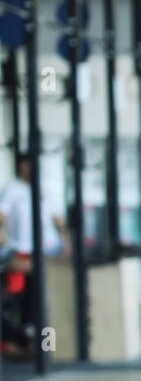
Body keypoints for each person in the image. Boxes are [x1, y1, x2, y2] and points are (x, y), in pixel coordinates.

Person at [0, 153, 68, 359]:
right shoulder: (12, 190)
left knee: (40, 301)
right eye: (25, 165)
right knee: (15, 299)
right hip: (19, 253)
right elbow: (2, 217)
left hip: (44, 254)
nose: (29, 169)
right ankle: (18, 342)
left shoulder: (46, 191)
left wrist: (66, 242)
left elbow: (58, 220)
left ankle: (40, 345)